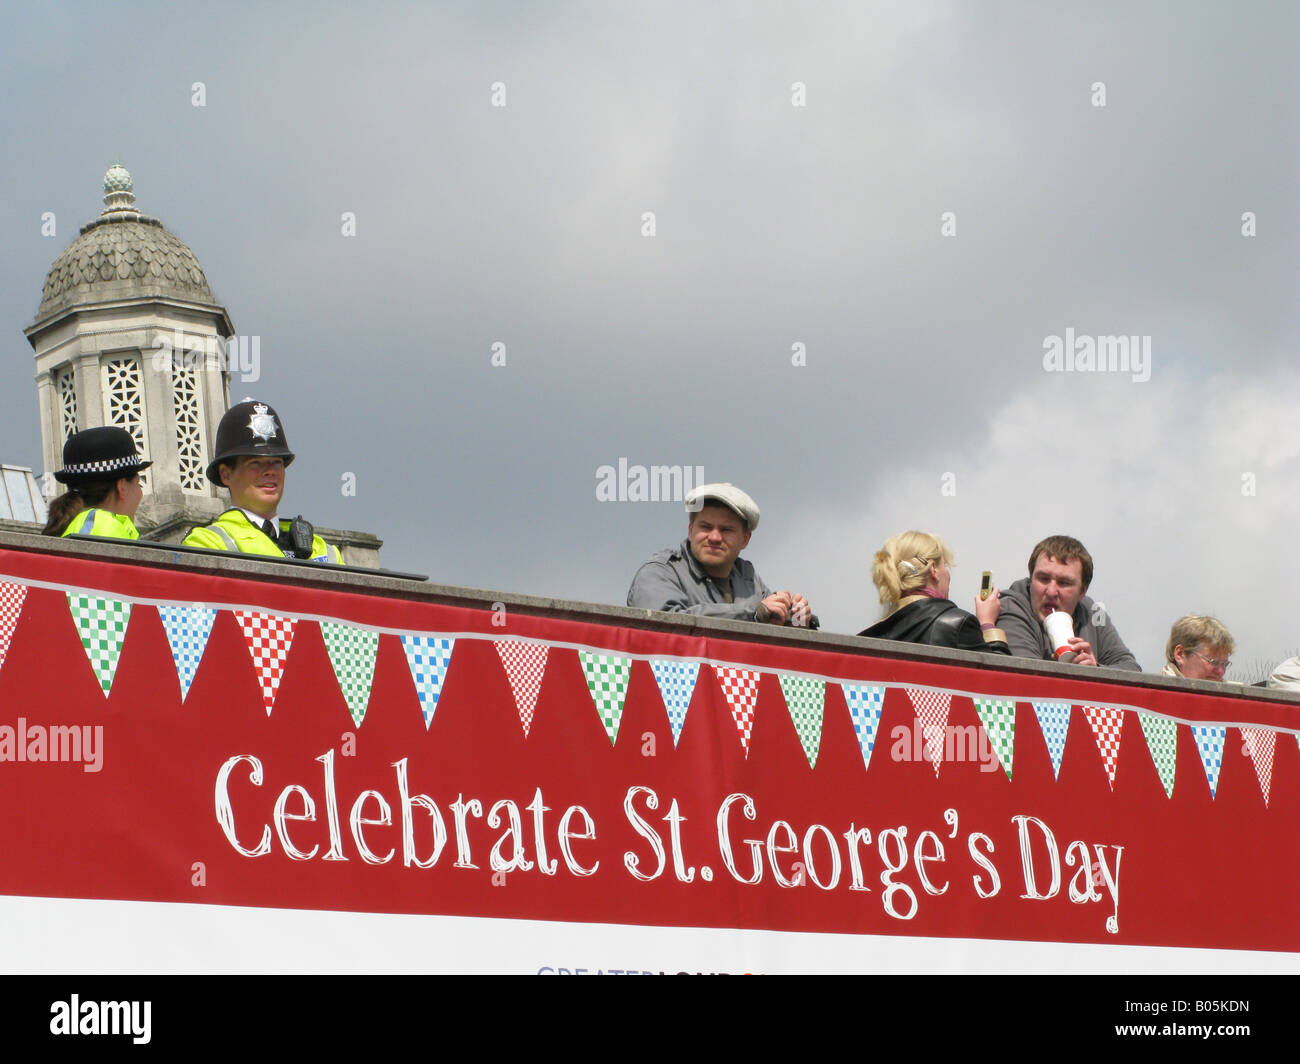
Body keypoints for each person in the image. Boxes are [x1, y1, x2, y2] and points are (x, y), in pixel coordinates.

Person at [627, 482, 813, 625]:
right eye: (706, 527)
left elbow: (770, 617)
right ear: (690, 530)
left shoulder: (750, 581)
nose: (715, 537)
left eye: (726, 530)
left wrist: (795, 618)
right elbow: (664, 625)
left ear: (745, 539)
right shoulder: (660, 572)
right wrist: (753, 614)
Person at [183, 399, 342, 563]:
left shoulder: (324, 551)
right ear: (226, 474)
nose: (270, 471)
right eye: (255, 463)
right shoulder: (208, 543)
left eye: (276, 462)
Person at [998, 534, 1140, 670]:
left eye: (1064, 583)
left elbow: (1131, 668)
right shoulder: (1011, 607)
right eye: (1043, 579)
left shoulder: (1094, 612)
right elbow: (1029, 677)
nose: (1051, 591)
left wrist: (1095, 668)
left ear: (1082, 591)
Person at [859, 530, 1008, 653]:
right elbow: (1001, 681)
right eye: (946, 566)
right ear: (933, 571)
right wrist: (987, 623)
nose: (948, 575)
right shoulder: (958, 625)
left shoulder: (867, 639)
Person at [41, 426, 150, 540]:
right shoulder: (106, 532)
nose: (140, 493)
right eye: (138, 483)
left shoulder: (77, 528)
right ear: (121, 486)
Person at [1161, 615, 1235, 681]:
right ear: (1180, 654)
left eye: (1225, 664)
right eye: (1214, 662)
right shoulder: (1155, 694)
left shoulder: (1234, 694)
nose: (1221, 672)